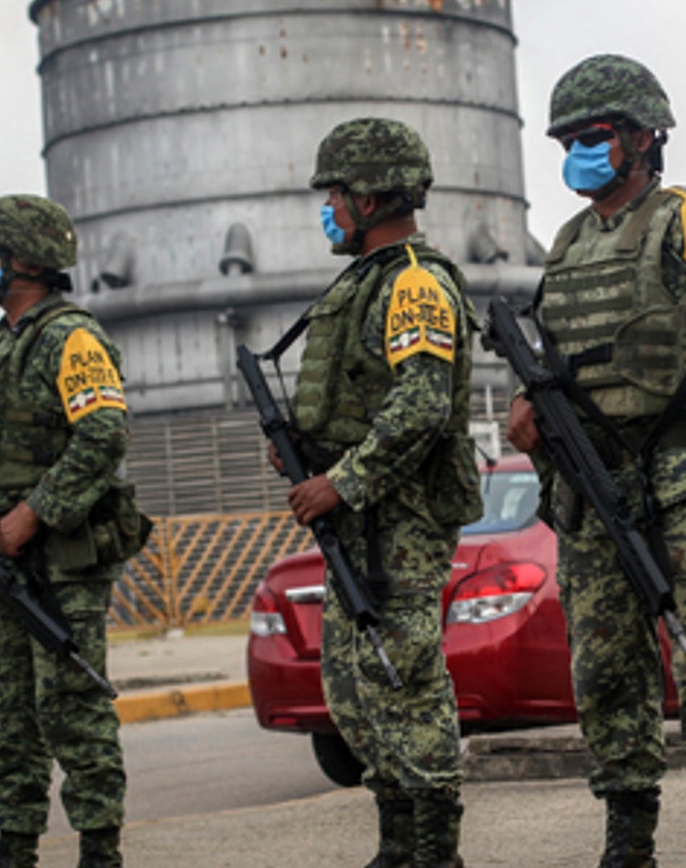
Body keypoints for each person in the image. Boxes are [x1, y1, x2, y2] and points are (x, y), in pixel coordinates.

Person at [506, 54, 686, 868]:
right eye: (568, 141)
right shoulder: (566, 244)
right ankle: (629, 839)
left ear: (641, 137)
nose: (578, 155)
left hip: (681, 478)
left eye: (592, 137)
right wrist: (528, 418)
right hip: (591, 486)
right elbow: (555, 365)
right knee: (605, 672)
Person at [283, 117, 482, 868]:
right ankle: (396, 846)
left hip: (401, 518)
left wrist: (342, 481)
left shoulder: (415, 286)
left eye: (335, 193)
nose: (328, 207)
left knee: (405, 684)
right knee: (356, 693)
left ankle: (435, 852)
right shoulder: (363, 284)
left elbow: (423, 404)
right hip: (357, 523)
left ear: (370, 197)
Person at [0, 193, 133, 868]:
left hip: (60, 565)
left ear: (27, 260)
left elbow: (103, 436)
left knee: (72, 709)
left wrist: (34, 512)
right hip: (1, 563)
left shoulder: (70, 337)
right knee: (4, 718)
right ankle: (16, 847)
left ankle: (98, 850)